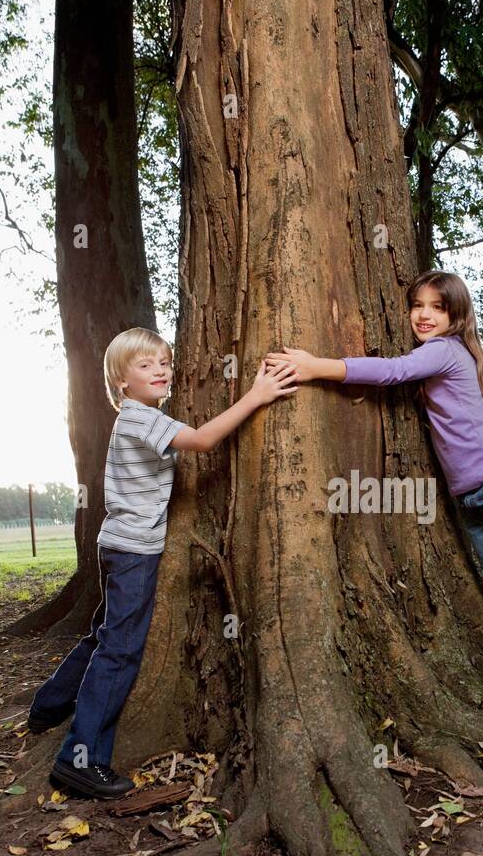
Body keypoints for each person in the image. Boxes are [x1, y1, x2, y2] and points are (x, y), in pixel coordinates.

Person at [266, 270, 483, 709]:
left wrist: (315, 367)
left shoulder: (446, 351)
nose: (424, 315)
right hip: (471, 496)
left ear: (456, 315)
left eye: (438, 307)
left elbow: (395, 370)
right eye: (418, 305)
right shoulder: (442, 355)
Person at [27, 327, 296, 799]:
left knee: (103, 635)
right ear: (121, 380)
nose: (160, 371)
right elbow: (205, 439)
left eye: (164, 363)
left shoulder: (142, 418)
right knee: (121, 650)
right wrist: (257, 395)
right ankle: (79, 758)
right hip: (134, 552)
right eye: (145, 365)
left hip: (117, 544)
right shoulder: (142, 419)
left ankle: (48, 705)